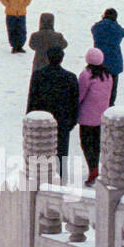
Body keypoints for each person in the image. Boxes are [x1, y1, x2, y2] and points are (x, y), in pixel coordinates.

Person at [26, 46, 80, 181]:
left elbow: (32, 98)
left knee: (41, 150)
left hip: (43, 120)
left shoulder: (38, 75)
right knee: (62, 151)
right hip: (63, 120)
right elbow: (75, 103)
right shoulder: (70, 77)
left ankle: (41, 176)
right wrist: (72, 121)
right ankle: (61, 176)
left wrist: (30, 117)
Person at [77, 49, 114, 186]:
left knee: (86, 143)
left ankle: (93, 168)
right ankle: (96, 167)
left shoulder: (86, 75)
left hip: (87, 116)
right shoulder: (108, 75)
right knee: (97, 144)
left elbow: (80, 95)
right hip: (101, 116)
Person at [90, 8, 124, 105]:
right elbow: (123, 32)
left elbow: (93, 28)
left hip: (99, 60)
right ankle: (110, 106)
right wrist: (115, 23)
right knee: (112, 90)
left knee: (98, 87)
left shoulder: (97, 27)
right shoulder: (117, 29)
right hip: (114, 62)